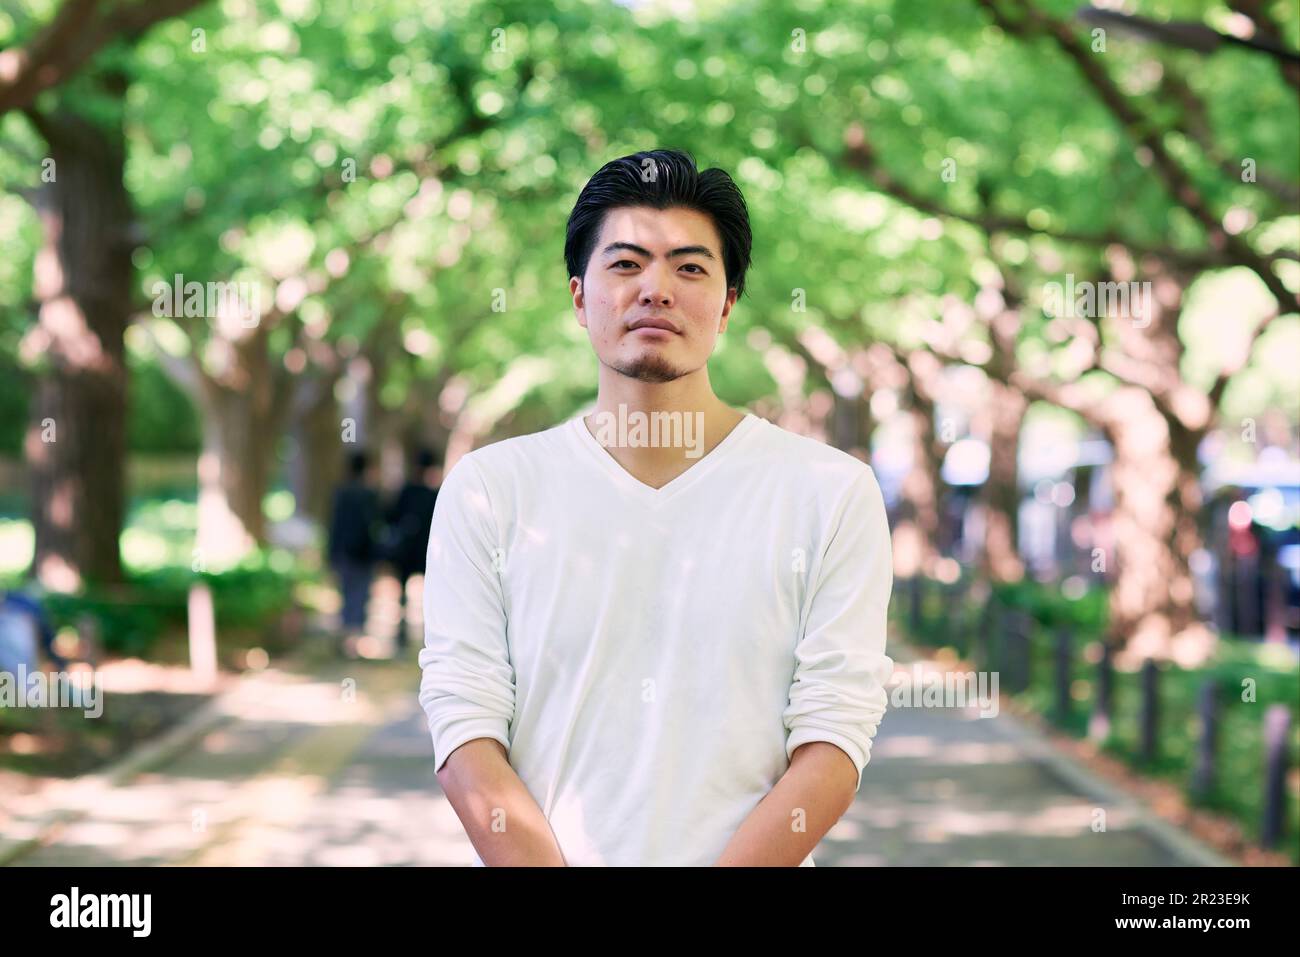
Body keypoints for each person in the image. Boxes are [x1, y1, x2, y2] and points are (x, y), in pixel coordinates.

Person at [418, 149, 894, 867]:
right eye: (626, 263)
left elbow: (834, 739)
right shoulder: (491, 488)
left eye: (691, 267)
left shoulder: (829, 493)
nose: (656, 289)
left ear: (728, 302)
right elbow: (464, 726)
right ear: (580, 297)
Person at [384, 448, 440, 653]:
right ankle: (430, 635)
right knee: (432, 594)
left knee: (402, 594)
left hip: (405, 551)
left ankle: (401, 634)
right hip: (427, 552)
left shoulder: (405, 491)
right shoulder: (435, 495)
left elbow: (390, 516)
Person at [327, 450, 379, 655]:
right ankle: (353, 643)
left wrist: (331, 553)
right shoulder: (369, 494)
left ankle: (346, 639)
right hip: (363, 554)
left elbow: (334, 525)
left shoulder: (340, 492)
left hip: (343, 553)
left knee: (347, 595)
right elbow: (373, 526)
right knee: (359, 596)